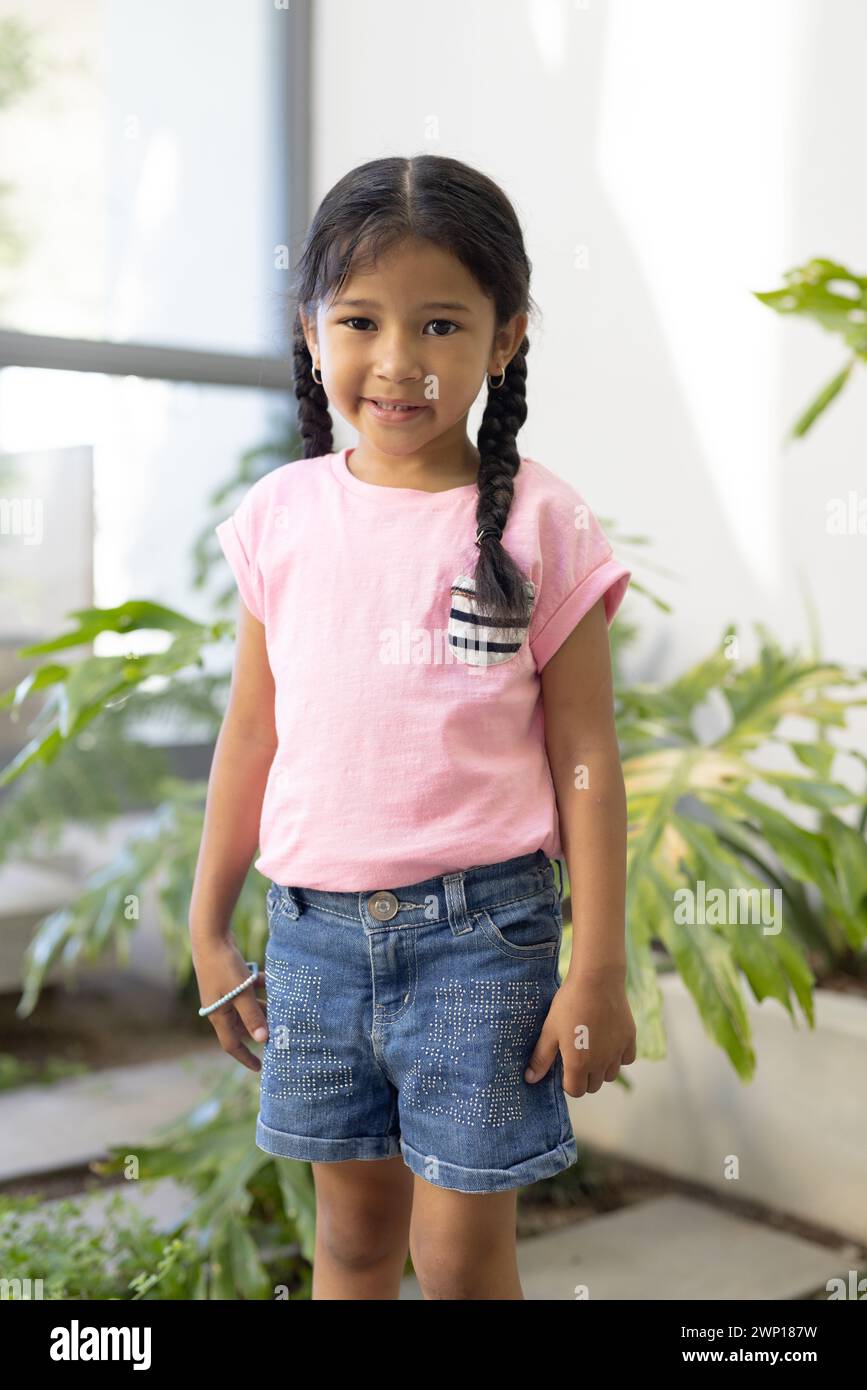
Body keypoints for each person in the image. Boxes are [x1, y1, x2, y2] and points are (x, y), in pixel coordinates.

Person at [189, 153, 636, 1301]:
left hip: (481, 943)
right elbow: (251, 736)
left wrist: (596, 968)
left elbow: (585, 754)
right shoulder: (280, 519)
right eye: (360, 321)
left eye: (441, 324)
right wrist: (207, 925)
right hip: (315, 942)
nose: (397, 362)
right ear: (310, 329)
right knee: (348, 1239)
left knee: (460, 1252)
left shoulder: (544, 521)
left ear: (505, 337)